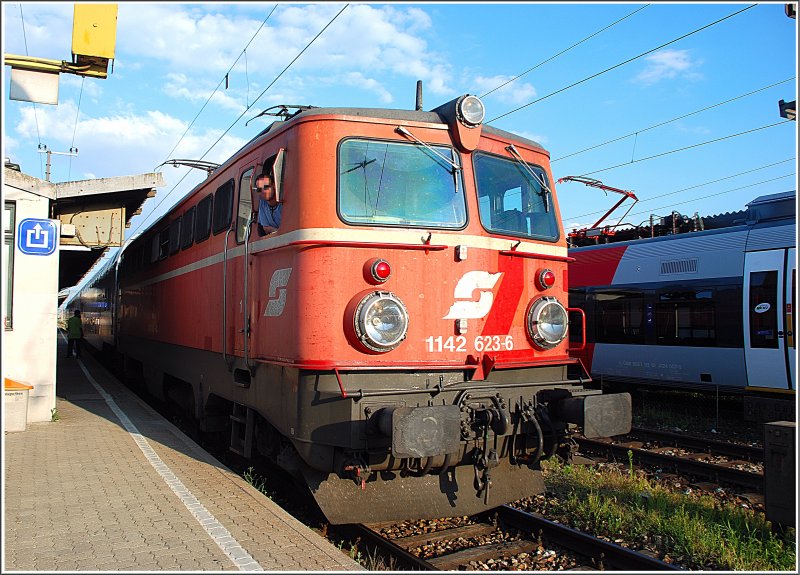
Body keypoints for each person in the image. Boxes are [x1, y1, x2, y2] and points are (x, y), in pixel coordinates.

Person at [255, 171, 282, 236]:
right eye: (259, 189)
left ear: (274, 186)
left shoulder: (283, 200)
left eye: (266, 187)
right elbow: (266, 227)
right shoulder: (262, 202)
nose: (263, 192)